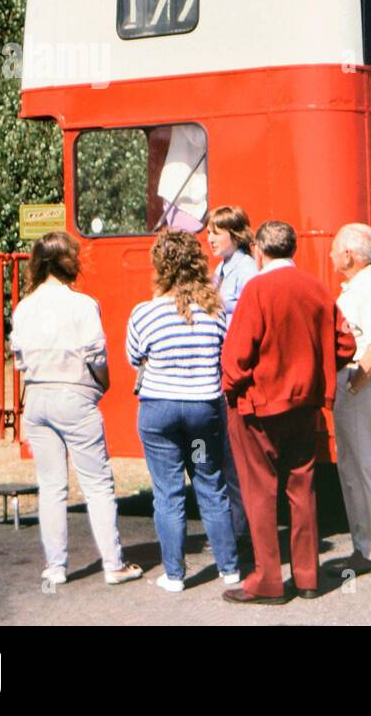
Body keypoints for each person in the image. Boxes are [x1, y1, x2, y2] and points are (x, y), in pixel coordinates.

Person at [221, 221, 356, 604]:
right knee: (302, 488)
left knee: (260, 492)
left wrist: (234, 387)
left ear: (260, 251)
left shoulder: (257, 288)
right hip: (306, 404)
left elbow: (236, 356)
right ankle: (308, 576)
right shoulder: (317, 288)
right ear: (292, 249)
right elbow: (345, 344)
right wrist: (318, 371)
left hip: (259, 405)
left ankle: (268, 578)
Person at [9, 231, 142, 587]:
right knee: (97, 483)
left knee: (51, 486)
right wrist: (102, 382)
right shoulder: (82, 305)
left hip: (37, 397)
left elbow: (18, 358)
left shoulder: (24, 307)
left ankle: (56, 566)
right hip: (75, 396)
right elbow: (96, 353)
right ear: (71, 262)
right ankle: (113, 563)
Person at [126, 228, 240, 593]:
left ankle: (174, 574)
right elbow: (227, 354)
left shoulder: (144, 312)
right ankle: (230, 568)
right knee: (211, 485)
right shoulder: (215, 311)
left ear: (159, 266)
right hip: (202, 411)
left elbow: (134, 357)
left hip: (159, 412)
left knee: (168, 492)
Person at [327, 223, 371, 576]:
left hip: (364, 382)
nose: (330, 255)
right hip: (364, 382)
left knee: (360, 468)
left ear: (349, 255)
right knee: (355, 468)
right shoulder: (366, 285)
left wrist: (352, 385)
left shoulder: (370, 288)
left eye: (334, 249)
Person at [207, 204, 256, 539]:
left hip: (238, 369)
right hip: (222, 367)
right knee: (227, 456)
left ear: (234, 234)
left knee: (237, 458)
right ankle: (237, 529)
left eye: (216, 232)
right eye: (209, 231)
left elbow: (248, 319)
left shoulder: (246, 269)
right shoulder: (221, 269)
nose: (209, 238)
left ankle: (243, 534)